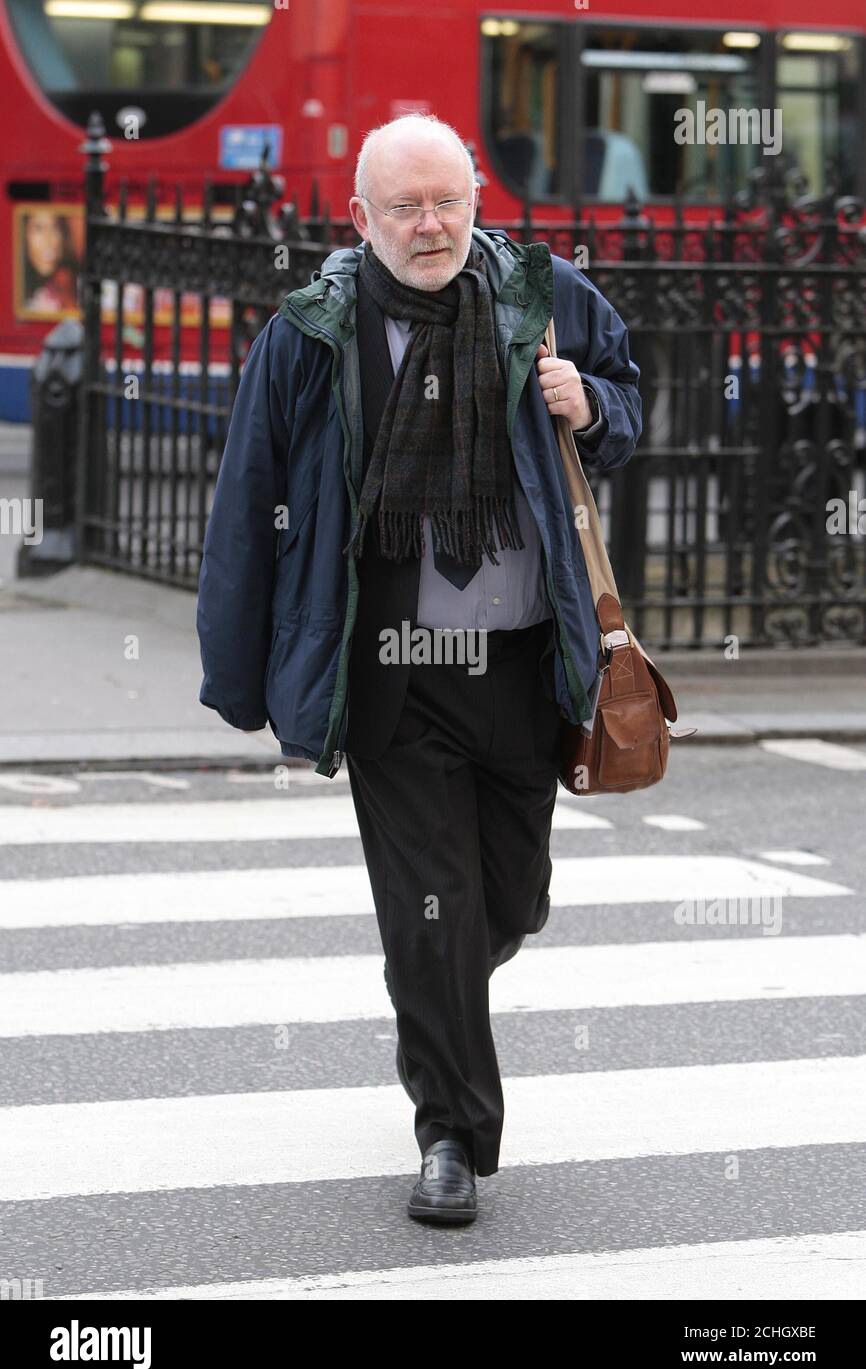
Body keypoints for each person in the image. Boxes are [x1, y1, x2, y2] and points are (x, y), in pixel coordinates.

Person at [196, 113, 641, 1224]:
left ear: (476, 200)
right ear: (360, 219)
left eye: (446, 200)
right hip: (393, 667)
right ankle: (451, 1133)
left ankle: (434, 987)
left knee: (511, 903)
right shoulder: (313, 330)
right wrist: (242, 674)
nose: (430, 224)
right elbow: (247, 501)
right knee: (432, 910)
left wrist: (589, 403)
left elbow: (632, 401)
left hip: (523, 662)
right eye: (404, 207)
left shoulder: (546, 299)